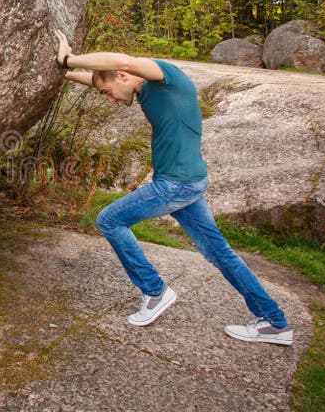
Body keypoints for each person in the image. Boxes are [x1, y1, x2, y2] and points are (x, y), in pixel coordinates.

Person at [55, 29, 293, 345]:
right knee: (220, 253)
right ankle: (276, 323)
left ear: (124, 75)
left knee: (109, 220)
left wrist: (68, 56)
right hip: (188, 184)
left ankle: (155, 292)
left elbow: (121, 60)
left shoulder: (165, 77)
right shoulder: (141, 89)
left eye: (109, 92)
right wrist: (68, 73)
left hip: (176, 185)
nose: (110, 99)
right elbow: (104, 77)